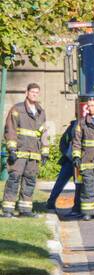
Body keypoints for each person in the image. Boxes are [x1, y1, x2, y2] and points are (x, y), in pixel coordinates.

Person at [2, 83, 48, 217]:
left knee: (30, 181)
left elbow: (44, 134)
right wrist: (11, 149)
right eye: (32, 92)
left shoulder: (41, 112)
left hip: (34, 154)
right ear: (26, 92)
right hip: (19, 152)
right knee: (14, 179)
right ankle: (8, 210)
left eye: (36, 92)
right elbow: (10, 129)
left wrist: (45, 152)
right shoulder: (17, 109)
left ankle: (25, 210)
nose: (34, 94)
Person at [47, 105, 88, 219]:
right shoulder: (73, 126)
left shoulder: (85, 125)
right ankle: (51, 203)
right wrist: (67, 154)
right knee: (61, 182)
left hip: (79, 161)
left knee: (78, 185)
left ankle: (76, 208)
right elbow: (63, 142)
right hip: (70, 160)